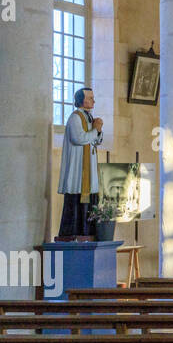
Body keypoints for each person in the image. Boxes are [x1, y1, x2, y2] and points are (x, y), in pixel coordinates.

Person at [57, 87, 105, 240]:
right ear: (82, 100)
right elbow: (79, 138)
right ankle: (74, 234)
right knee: (76, 201)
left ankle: (88, 233)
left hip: (88, 168)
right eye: (90, 98)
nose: (93, 101)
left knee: (90, 201)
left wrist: (98, 130)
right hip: (78, 170)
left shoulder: (89, 117)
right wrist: (95, 129)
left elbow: (96, 141)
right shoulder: (75, 118)